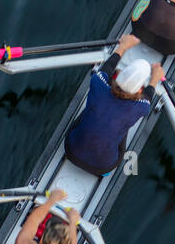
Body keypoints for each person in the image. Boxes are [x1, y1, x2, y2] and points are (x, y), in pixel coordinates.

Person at [63, 34, 164, 176]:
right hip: (104, 168)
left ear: (120, 75)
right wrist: (155, 78)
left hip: (70, 150)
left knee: (92, 110)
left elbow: (107, 67)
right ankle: (105, 172)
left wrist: (123, 46)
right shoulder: (142, 108)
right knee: (122, 126)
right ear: (139, 89)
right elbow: (148, 95)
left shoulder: (97, 81)